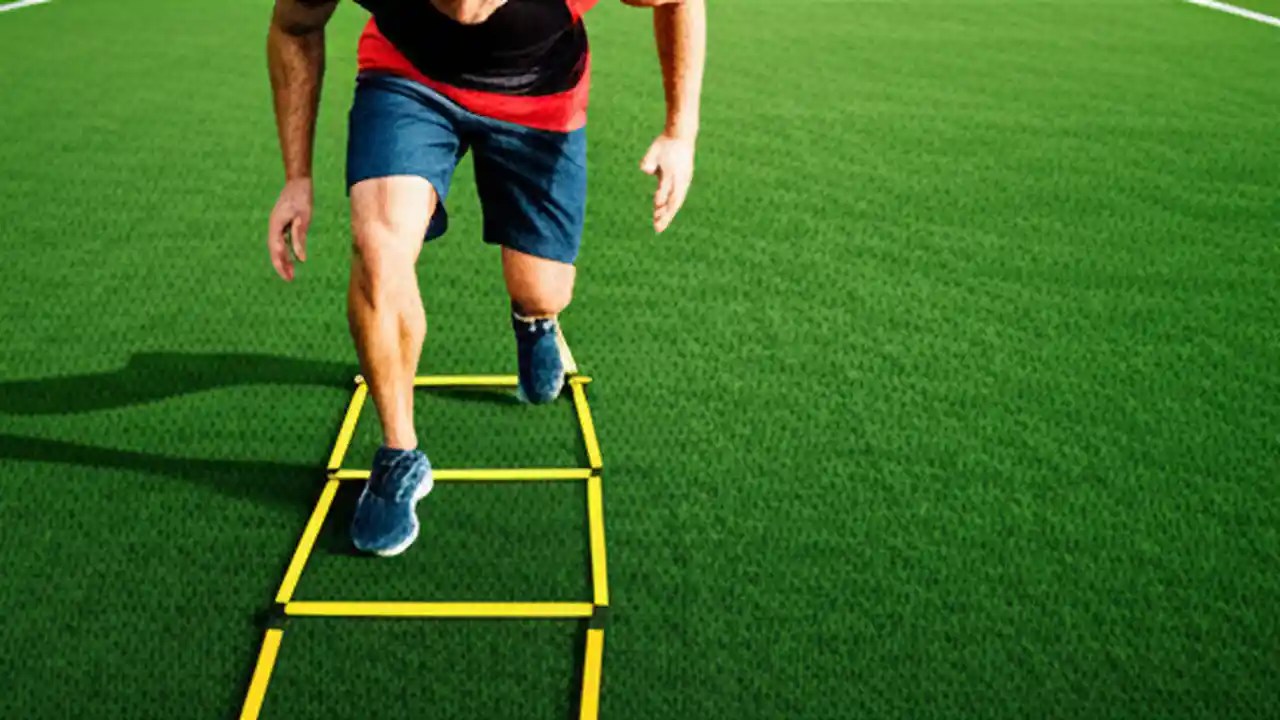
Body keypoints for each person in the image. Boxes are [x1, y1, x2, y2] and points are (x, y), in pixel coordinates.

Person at [265, 0, 705, 556]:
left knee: (542, 288)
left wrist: (679, 133)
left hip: (540, 94)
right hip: (409, 79)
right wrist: (296, 177)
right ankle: (399, 453)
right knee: (379, 247)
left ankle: (534, 320)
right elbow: (293, 26)